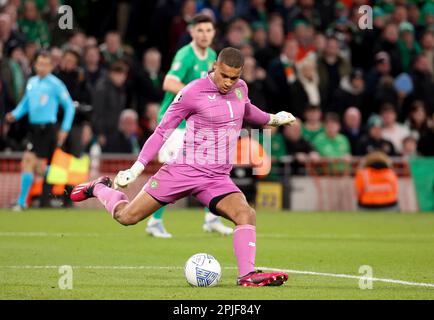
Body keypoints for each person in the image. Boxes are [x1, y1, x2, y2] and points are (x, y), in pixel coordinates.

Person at [70, 47, 295, 287]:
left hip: (217, 177)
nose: (229, 82)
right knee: (126, 217)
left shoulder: (241, 89)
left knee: (246, 214)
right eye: (225, 75)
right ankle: (100, 188)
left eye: (235, 77)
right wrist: (136, 168)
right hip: (183, 171)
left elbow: (247, 109)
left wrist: (272, 118)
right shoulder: (192, 92)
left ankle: (247, 275)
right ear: (215, 66)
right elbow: (162, 131)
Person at [148, 14, 231, 239]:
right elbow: (168, 82)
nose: (205, 34)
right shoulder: (185, 54)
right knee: (173, 171)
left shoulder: (213, 55)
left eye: (209, 30)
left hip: (198, 123)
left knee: (211, 166)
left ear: (214, 33)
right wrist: (197, 96)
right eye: (200, 30)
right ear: (192, 32)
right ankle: (154, 221)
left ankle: (212, 219)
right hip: (176, 121)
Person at [5, 51, 75, 211]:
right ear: (35, 65)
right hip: (34, 129)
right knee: (32, 164)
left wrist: (65, 128)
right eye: (39, 64)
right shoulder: (32, 82)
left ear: (51, 66)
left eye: (45, 64)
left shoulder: (56, 84)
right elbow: (25, 104)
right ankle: (24, 201)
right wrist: (14, 115)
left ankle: (23, 201)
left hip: (48, 129)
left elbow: (69, 106)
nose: (42, 67)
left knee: (31, 162)